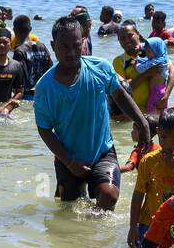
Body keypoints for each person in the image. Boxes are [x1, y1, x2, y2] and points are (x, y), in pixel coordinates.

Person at [36, 16, 152, 211]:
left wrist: (143, 123)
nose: (71, 52)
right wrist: (71, 163)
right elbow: (45, 129)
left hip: (102, 152)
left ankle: (98, 238)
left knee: (108, 196)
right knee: (68, 210)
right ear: (53, 45)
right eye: (64, 46)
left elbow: (120, 95)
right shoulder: (45, 87)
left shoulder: (100, 68)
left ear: (83, 42)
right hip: (68, 156)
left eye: (76, 45)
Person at [126, 106, 174, 248]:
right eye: (164, 137)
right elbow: (138, 194)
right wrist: (132, 226)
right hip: (149, 223)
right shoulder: (149, 161)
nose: (168, 143)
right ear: (158, 132)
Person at [11, 15, 52, 100]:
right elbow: (50, 69)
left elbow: (19, 77)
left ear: (14, 30)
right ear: (30, 29)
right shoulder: (42, 46)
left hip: (26, 95)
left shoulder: (19, 51)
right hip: (43, 93)